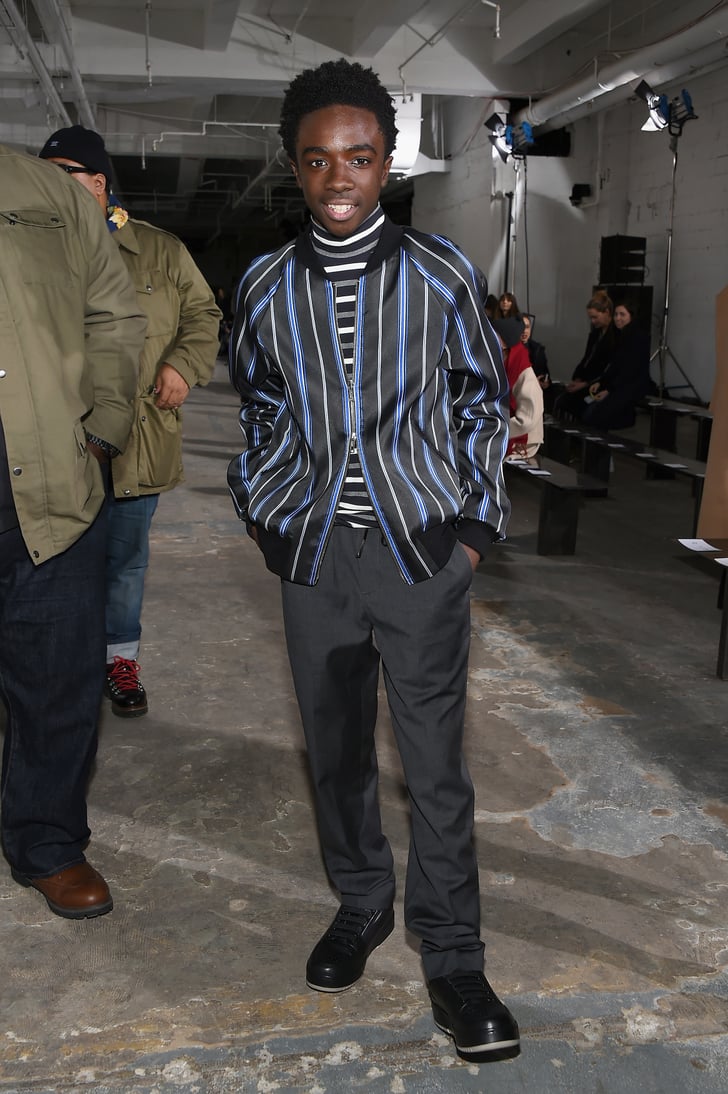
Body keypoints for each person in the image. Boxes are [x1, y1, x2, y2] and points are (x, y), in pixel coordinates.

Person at [227, 58, 520, 1065]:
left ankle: (452, 954)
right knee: (336, 746)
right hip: (313, 557)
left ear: (386, 161)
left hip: (418, 557)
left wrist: (469, 530)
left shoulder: (440, 272)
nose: (338, 177)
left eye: (357, 156)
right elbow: (257, 405)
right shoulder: (264, 284)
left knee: (434, 764)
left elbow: (484, 401)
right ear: (294, 168)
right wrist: (265, 512)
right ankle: (360, 901)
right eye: (317, 160)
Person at [0, 144, 146, 917]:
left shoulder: (41, 190)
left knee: (58, 672)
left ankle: (48, 840)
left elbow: (114, 312)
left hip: (51, 475)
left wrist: (104, 428)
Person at [39, 126, 221, 718]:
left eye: (62, 172)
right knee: (54, 558)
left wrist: (183, 367)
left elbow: (203, 313)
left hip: (136, 441)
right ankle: (58, 664)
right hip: (54, 441)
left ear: (97, 184)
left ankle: (119, 659)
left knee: (123, 560)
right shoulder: (29, 252)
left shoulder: (159, 251)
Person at [580, 300, 653, 429]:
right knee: (587, 409)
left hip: (631, 386)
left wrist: (609, 390)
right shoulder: (622, 335)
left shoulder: (638, 337)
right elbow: (614, 365)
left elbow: (630, 370)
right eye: (616, 314)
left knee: (595, 415)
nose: (618, 318)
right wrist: (601, 382)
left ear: (631, 316)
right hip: (620, 384)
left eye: (622, 315)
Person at [553, 289, 616, 420]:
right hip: (587, 381)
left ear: (607, 313)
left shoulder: (615, 337)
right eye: (591, 318)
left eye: (595, 317)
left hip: (600, 384)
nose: (593, 321)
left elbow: (609, 367)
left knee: (582, 408)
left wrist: (586, 383)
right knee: (561, 400)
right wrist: (577, 378)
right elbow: (587, 358)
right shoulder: (595, 334)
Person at [492, 317, 544, 458]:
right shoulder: (502, 362)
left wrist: (494, 428)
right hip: (504, 429)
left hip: (522, 439)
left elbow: (527, 419)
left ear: (503, 341)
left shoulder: (524, 372)